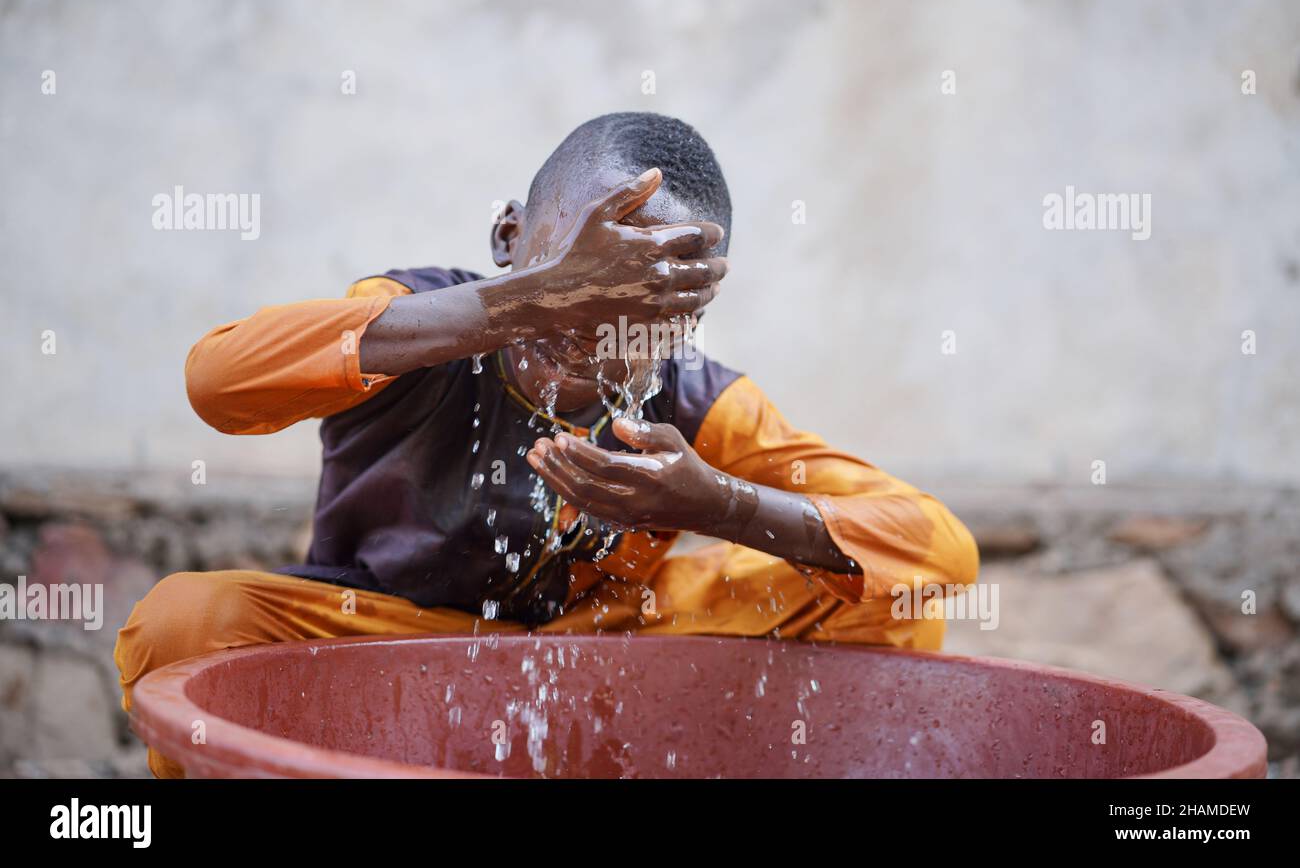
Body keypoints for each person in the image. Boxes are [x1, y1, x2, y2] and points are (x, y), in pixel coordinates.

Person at [115, 112, 978, 777]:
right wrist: (520, 303)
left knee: (892, 603)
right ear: (507, 241)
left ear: (687, 320)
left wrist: (715, 503)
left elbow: (941, 545)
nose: (591, 327)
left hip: (593, 671)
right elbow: (217, 382)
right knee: (184, 623)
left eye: (640, 307)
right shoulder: (419, 324)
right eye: (572, 279)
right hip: (379, 650)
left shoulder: (696, 404)